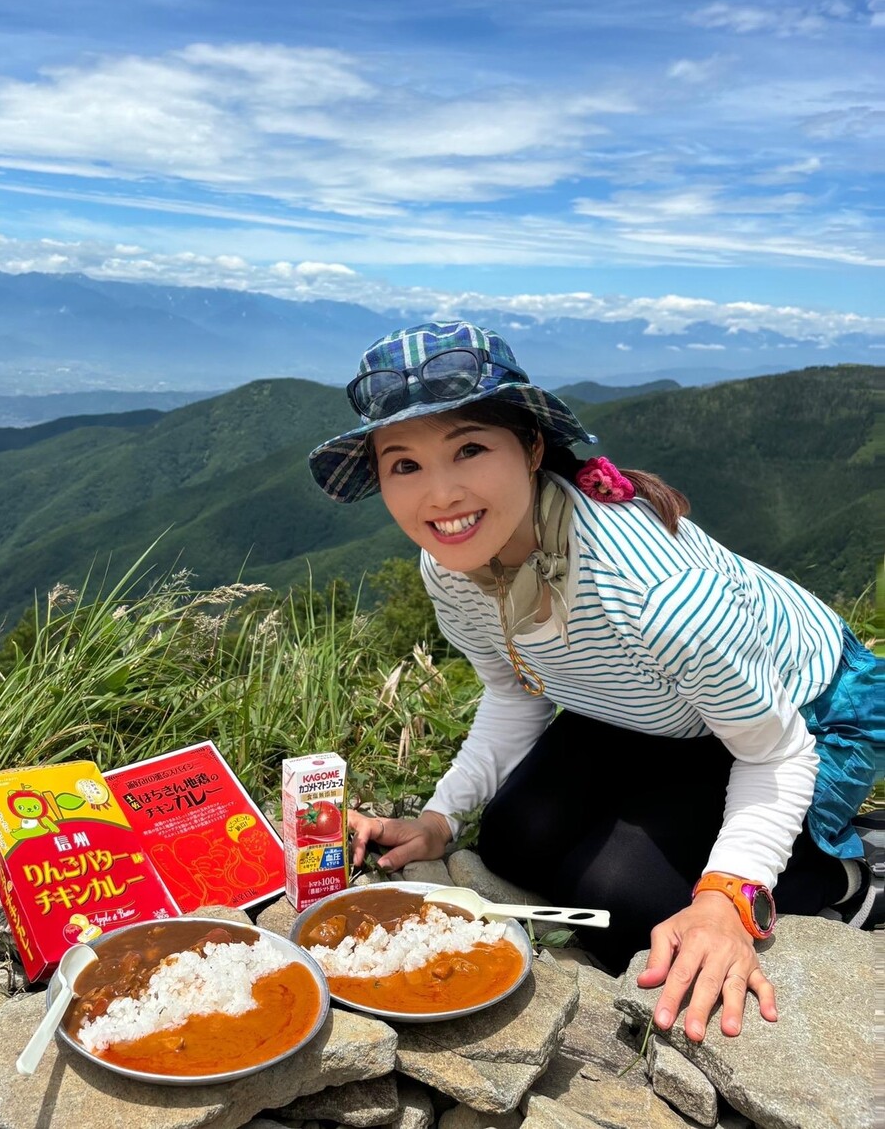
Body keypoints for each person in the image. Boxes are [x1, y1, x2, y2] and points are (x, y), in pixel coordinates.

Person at [308, 320, 883, 1043]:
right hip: (652, 706)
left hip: (802, 713)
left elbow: (775, 752)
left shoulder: (649, 593)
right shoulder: (452, 569)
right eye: (404, 465)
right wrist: (437, 819)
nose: (440, 494)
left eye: (470, 449)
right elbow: (516, 689)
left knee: (626, 905)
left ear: (532, 447)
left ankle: (849, 878)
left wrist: (725, 899)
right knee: (513, 842)